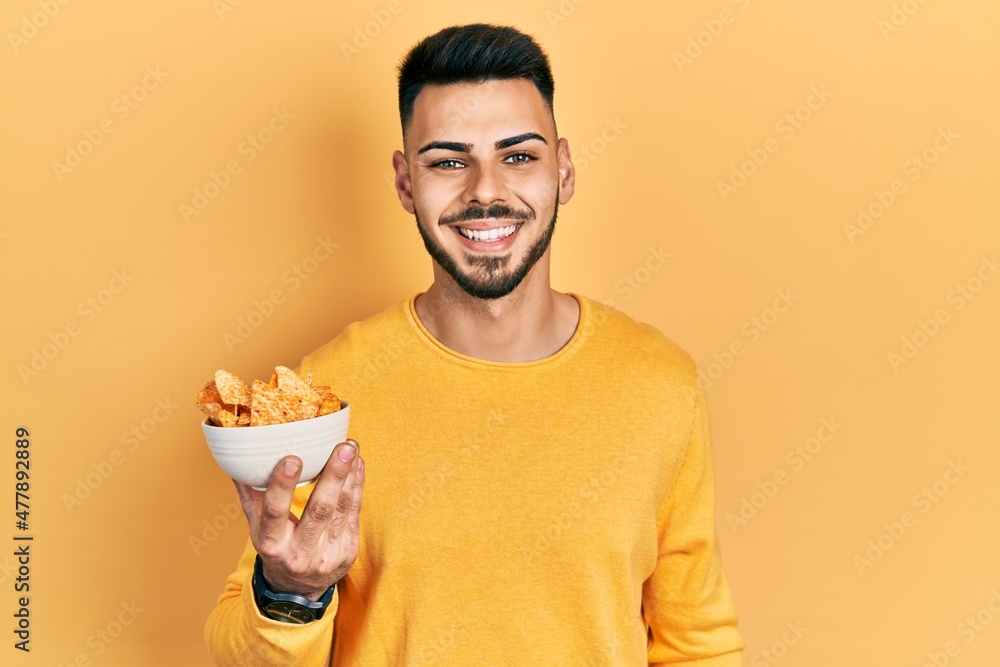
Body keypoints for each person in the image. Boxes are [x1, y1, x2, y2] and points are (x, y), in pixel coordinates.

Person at [204, 22, 744, 666]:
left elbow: (697, 642)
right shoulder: (330, 393)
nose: (485, 190)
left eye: (518, 155)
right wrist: (292, 590)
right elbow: (240, 656)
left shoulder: (661, 385)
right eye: (449, 161)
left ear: (563, 170)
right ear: (406, 183)